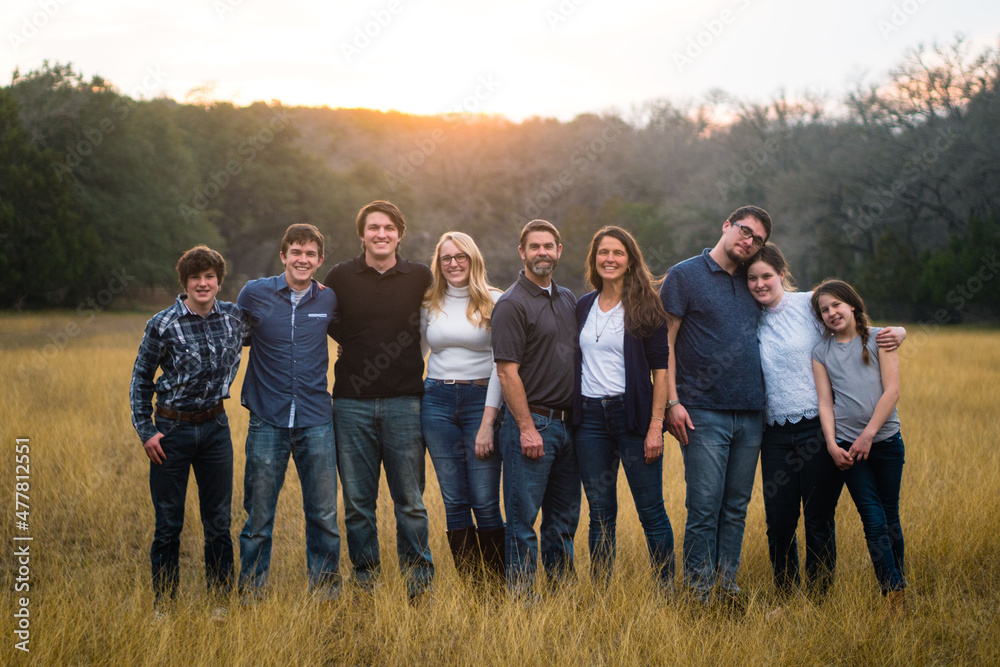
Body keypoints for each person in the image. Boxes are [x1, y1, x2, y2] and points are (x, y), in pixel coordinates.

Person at [747, 245, 904, 601]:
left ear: (781, 275)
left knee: (818, 517)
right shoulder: (748, 314)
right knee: (780, 521)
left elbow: (855, 322)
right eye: (752, 278)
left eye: (766, 276)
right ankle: (786, 597)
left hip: (819, 428)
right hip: (774, 432)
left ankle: (819, 597)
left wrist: (901, 331)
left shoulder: (810, 304)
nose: (760, 284)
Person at [130, 245, 248, 621]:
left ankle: (220, 601)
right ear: (185, 282)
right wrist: (146, 431)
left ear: (218, 281)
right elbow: (140, 379)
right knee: (168, 523)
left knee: (218, 522)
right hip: (171, 431)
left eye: (209, 277)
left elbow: (279, 330)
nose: (203, 283)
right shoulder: (162, 323)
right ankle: (164, 604)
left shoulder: (233, 318)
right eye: (195, 278)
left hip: (215, 428)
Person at [660, 205, 770, 606]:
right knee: (704, 506)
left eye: (757, 239)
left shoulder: (755, 281)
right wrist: (672, 401)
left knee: (735, 508)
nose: (748, 241)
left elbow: (810, 306)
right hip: (702, 413)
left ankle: (727, 588)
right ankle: (698, 593)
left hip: (752, 414)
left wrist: (882, 331)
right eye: (744, 231)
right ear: (726, 226)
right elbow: (664, 344)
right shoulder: (684, 275)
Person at [324, 200, 434, 600]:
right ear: (362, 234)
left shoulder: (420, 275)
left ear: (399, 234)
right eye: (373, 228)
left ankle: (418, 582)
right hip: (351, 404)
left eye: (388, 228)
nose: (381, 234)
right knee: (357, 503)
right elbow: (327, 320)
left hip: (406, 402)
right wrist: (352, 347)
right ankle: (366, 581)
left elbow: (449, 305)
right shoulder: (340, 276)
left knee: (410, 502)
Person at [237, 224, 341, 601]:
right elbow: (232, 337)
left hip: (316, 418)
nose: (303, 259)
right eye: (296, 252)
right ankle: (251, 592)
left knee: (324, 515)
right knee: (258, 516)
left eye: (310, 254)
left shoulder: (329, 300)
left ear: (319, 261)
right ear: (283, 255)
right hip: (268, 418)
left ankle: (326, 592)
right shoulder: (254, 293)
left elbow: (352, 338)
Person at [572, 226, 675, 592]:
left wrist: (654, 426)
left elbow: (660, 371)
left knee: (651, 511)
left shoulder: (647, 306)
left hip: (632, 419)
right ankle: (602, 592)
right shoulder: (583, 306)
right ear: (594, 259)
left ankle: (666, 591)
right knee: (600, 512)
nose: (609, 259)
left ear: (630, 260)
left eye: (617, 253)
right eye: (603, 253)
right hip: (590, 422)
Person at [491, 219, 581, 598]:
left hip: (569, 427)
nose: (542, 252)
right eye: (534, 246)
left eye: (549, 246)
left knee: (562, 520)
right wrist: (526, 427)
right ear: (522, 252)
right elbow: (506, 372)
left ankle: (561, 594)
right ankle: (522, 600)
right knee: (522, 519)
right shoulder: (512, 304)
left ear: (559, 251)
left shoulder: (567, 299)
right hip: (532, 425)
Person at [811, 279, 907, 615]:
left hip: (885, 443)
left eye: (836, 305)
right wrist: (833, 444)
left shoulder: (881, 338)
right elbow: (825, 403)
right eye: (824, 310)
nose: (831, 313)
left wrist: (869, 434)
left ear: (852, 305)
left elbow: (891, 391)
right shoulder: (821, 352)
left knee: (889, 515)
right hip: (850, 451)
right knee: (872, 518)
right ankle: (892, 593)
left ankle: (900, 581)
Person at [420, 231, 505, 582]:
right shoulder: (428, 303)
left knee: (484, 499)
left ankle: (498, 585)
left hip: (480, 402)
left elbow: (502, 364)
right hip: (436, 401)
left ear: (473, 260)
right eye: (446, 258)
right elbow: (418, 354)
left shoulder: (496, 301)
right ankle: (474, 588)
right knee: (454, 500)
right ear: (438, 264)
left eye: (460, 257)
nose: (453, 264)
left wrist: (488, 421)